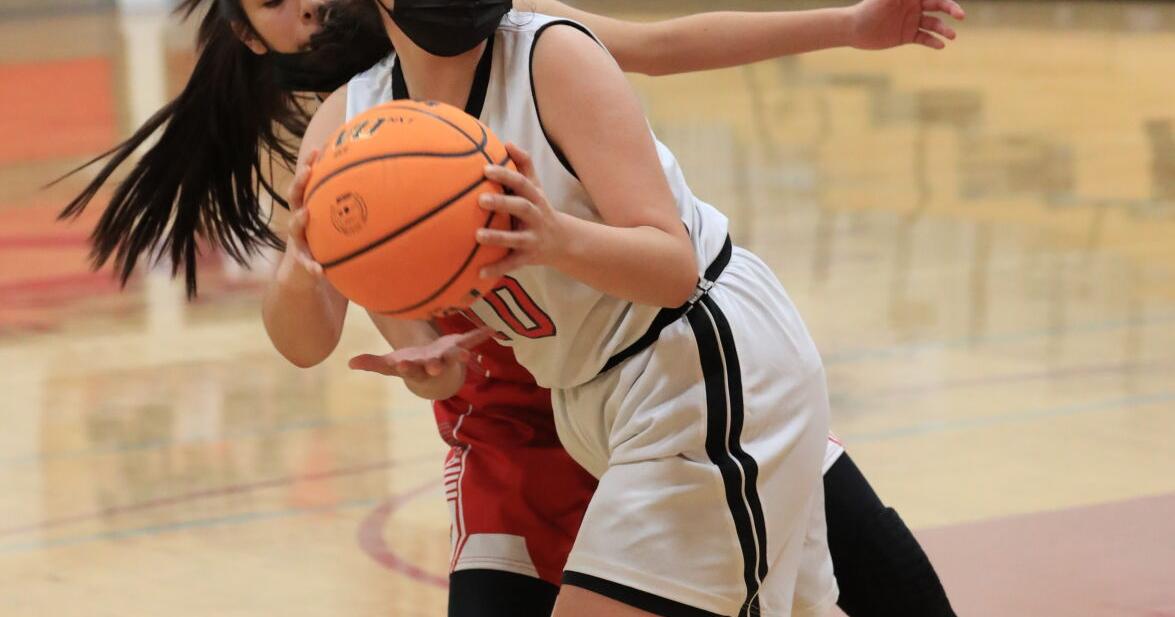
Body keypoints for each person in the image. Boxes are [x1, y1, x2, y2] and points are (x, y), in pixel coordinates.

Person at [60, 1, 963, 615]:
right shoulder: (354, 128)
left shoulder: (529, 42)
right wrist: (321, 280)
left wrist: (850, 23)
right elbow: (319, 332)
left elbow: (659, 52)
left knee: (867, 566)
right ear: (253, 38)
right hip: (534, 395)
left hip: (673, 354)